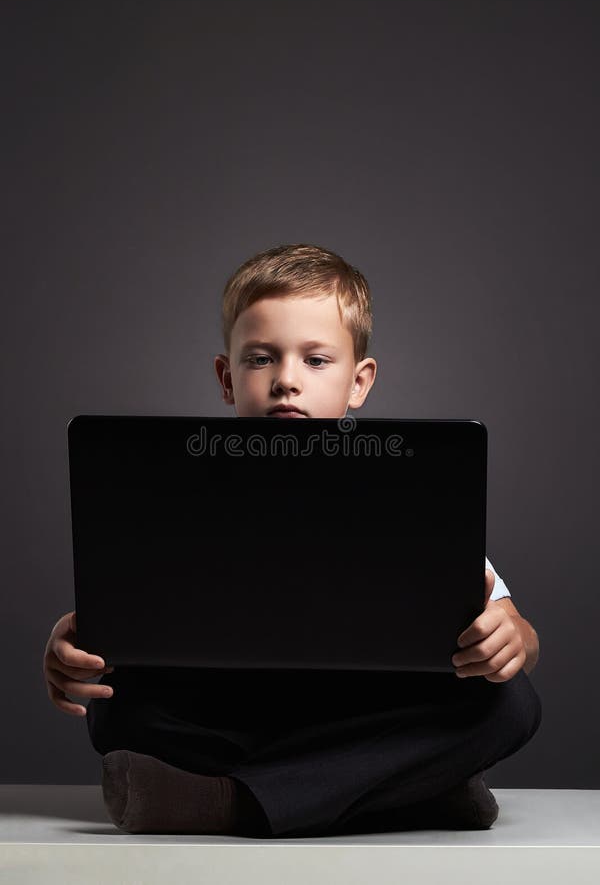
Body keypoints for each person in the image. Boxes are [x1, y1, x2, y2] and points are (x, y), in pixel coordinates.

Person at [43, 243, 541, 838]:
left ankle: (230, 804)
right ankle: (405, 793)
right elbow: (116, 623)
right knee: (114, 705)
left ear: (360, 381)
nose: (286, 381)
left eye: (316, 361)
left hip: (354, 715)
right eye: (260, 359)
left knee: (510, 705)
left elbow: (516, 632)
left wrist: (512, 639)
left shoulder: (402, 492)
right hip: (228, 719)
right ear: (227, 379)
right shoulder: (172, 489)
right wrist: (74, 644)